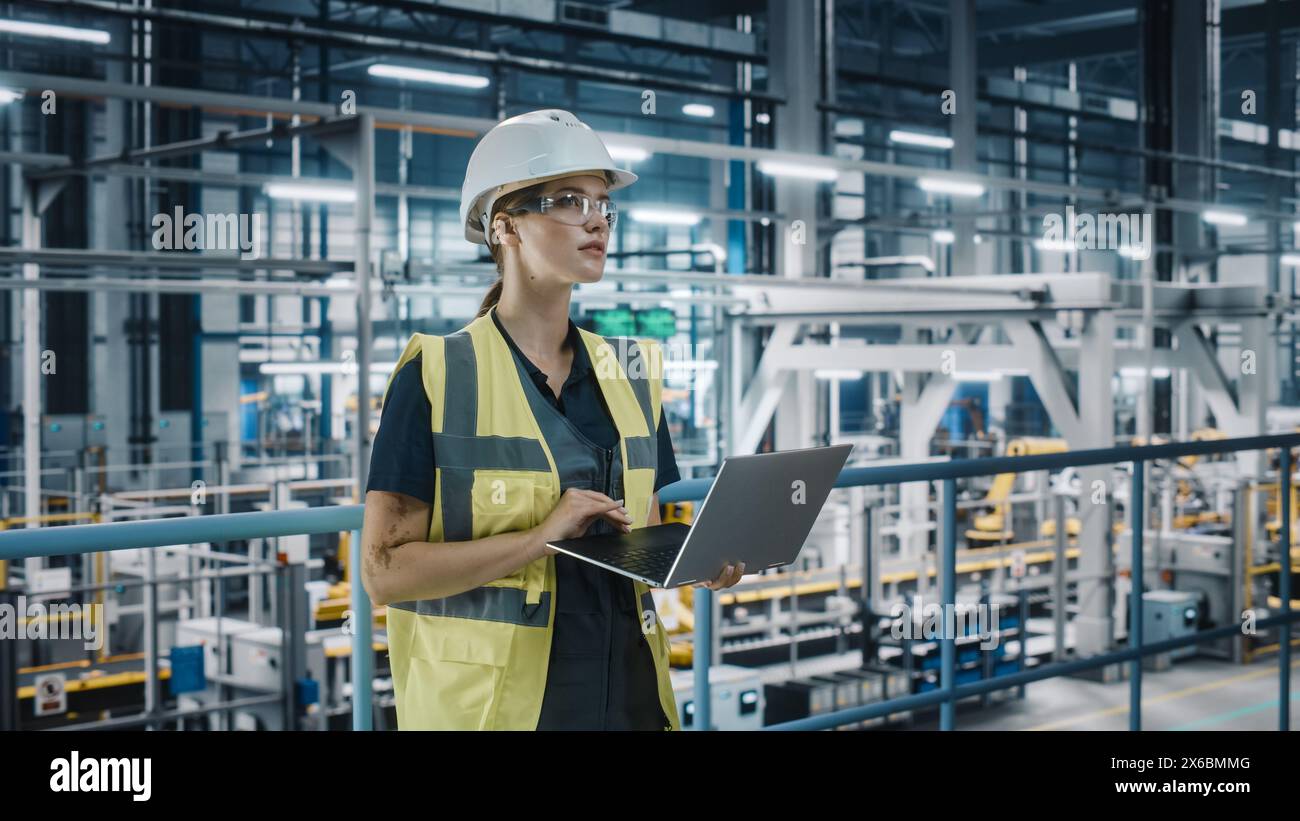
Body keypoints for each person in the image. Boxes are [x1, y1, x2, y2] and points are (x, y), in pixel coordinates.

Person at [359, 109, 744, 731]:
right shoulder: (436, 373)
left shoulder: (631, 372)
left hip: (628, 694)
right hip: (499, 710)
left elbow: (639, 528)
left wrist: (695, 561)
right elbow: (384, 574)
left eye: (601, 204)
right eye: (568, 200)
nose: (596, 219)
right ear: (505, 227)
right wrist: (541, 536)